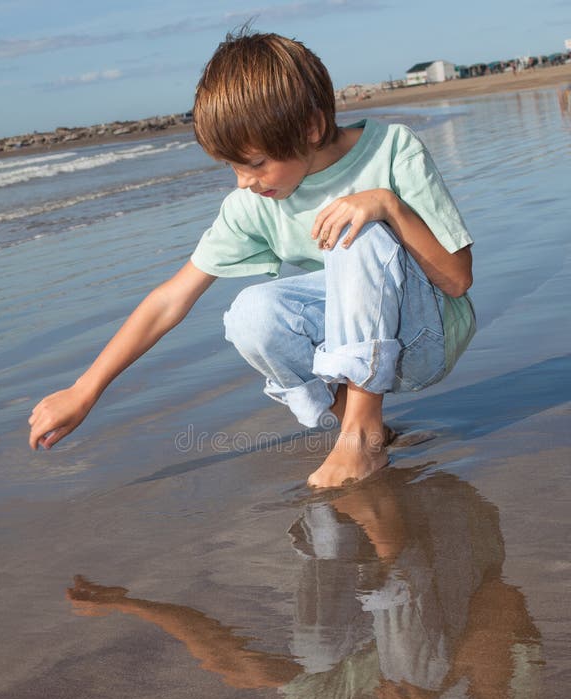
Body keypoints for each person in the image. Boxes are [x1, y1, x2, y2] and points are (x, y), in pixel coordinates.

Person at [28, 29, 476, 488]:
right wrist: (84, 391)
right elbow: (170, 300)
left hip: (426, 335)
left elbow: (458, 280)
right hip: (364, 350)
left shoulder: (392, 150)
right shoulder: (254, 202)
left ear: (311, 129)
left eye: (256, 163)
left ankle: (360, 437)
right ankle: (361, 426)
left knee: (354, 233)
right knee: (250, 312)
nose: (245, 181)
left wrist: (387, 205)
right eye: (233, 167)